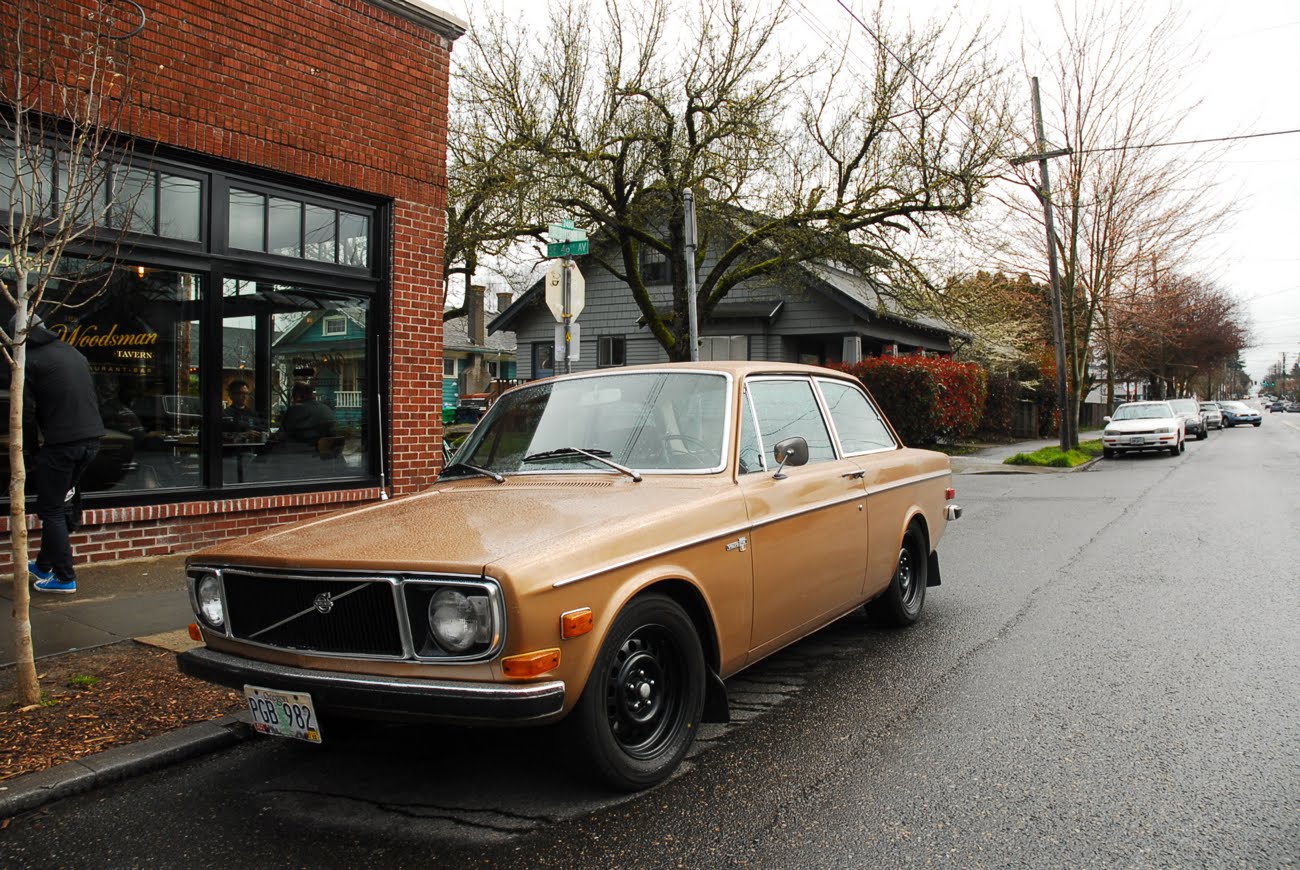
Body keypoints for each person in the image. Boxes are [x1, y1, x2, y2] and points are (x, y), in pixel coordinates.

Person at [17, 313, 106, 595]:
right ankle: (43, 565)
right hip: (92, 440)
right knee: (58, 503)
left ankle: (64, 576)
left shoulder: (29, 361)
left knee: (51, 509)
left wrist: (29, 451)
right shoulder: (72, 352)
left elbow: (26, 413)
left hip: (62, 444)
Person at [275, 382, 336, 449]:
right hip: (326, 453)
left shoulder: (296, 409)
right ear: (312, 394)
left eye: (293, 395)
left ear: (297, 395)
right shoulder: (326, 408)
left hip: (298, 453)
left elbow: (282, 433)